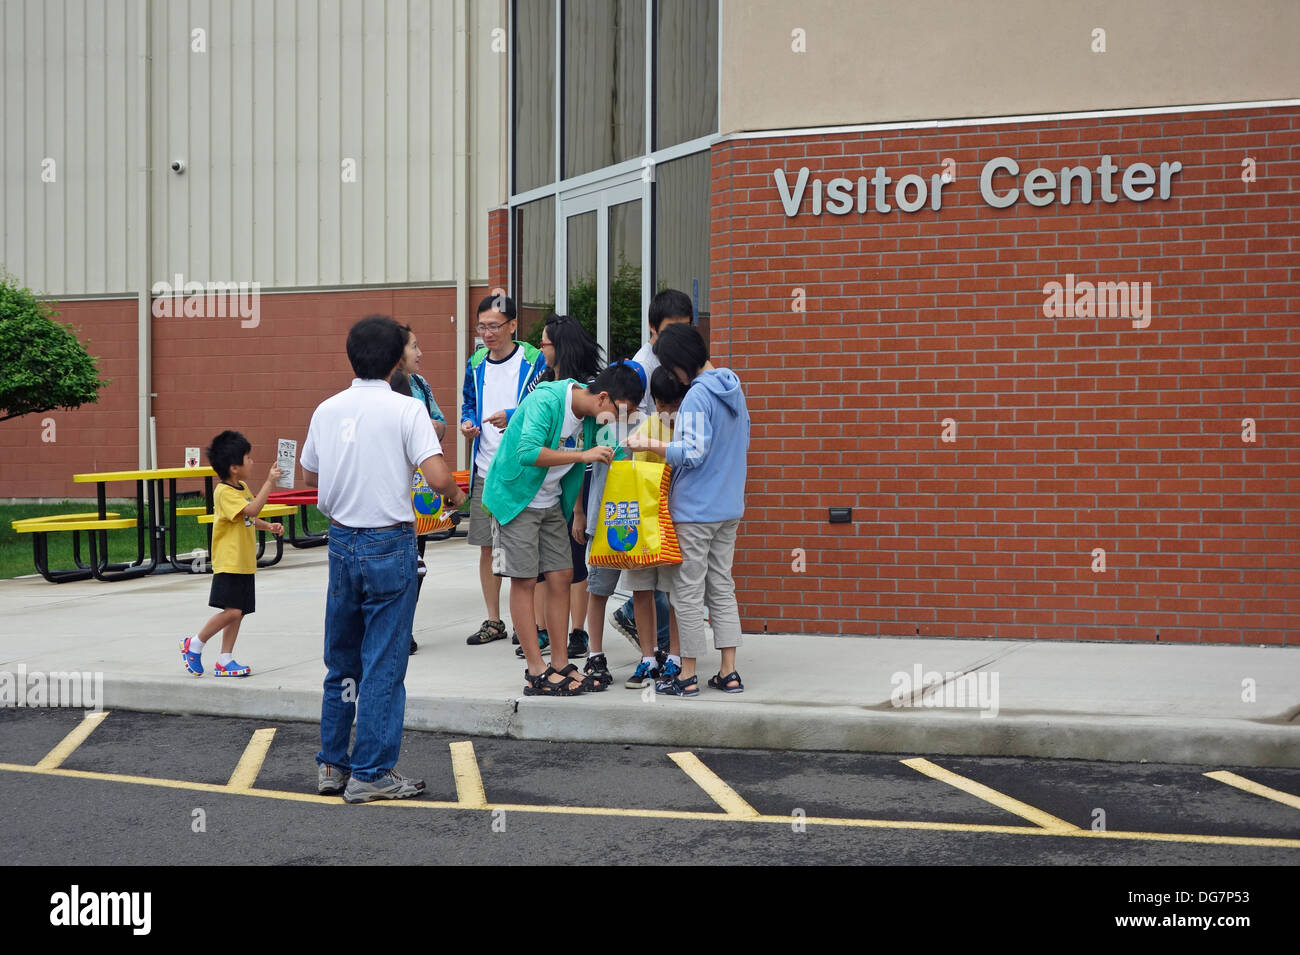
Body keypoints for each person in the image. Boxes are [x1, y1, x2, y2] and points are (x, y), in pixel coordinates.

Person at [302, 315, 468, 803]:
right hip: (389, 542)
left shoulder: (327, 409)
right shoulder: (407, 409)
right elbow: (437, 476)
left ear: (352, 356)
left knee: (342, 660)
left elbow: (310, 473)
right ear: (396, 360)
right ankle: (371, 772)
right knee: (384, 664)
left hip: (340, 541)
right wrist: (456, 496)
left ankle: (333, 764)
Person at [483, 363, 644, 696]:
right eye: (620, 412)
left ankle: (559, 663)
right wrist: (583, 454)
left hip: (552, 503)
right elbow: (527, 452)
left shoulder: (591, 414)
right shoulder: (547, 400)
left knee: (562, 576)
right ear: (603, 398)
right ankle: (535, 670)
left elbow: (606, 453)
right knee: (525, 580)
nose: (618, 420)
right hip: (515, 500)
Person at [625, 323, 750, 697]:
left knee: (688, 593)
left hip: (695, 510)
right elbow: (740, 440)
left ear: (680, 362)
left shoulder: (697, 395)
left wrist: (647, 443)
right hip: (729, 506)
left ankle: (688, 675)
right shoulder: (733, 388)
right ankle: (729, 672)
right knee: (722, 587)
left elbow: (691, 454)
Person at [460, 293, 547, 646]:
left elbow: (542, 404)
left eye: (494, 326)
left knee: (526, 546)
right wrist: (468, 422)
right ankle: (493, 620)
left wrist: (511, 416)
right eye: (481, 326)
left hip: (521, 468)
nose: (487, 333)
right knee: (487, 545)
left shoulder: (534, 360)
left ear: (513, 325)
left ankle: (529, 622)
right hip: (486, 468)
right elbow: (468, 401)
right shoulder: (476, 362)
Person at [610, 289, 693, 655]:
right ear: (652, 329)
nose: (679, 337)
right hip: (647, 486)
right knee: (647, 574)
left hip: (674, 490)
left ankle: (665, 647)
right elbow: (624, 422)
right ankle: (653, 645)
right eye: (671, 330)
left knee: (668, 577)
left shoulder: (684, 361)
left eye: (685, 328)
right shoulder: (642, 367)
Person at [525, 314, 603, 663]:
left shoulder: (589, 388)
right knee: (541, 563)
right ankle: (542, 628)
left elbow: (594, 444)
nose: (540, 349)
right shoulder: (541, 383)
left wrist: (580, 508)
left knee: (573, 556)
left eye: (543, 343)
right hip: (544, 481)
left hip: (578, 478)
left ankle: (577, 631)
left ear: (560, 346)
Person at [180, 431, 284, 678]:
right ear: (234, 467)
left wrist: (268, 526)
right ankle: (194, 643)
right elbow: (252, 509)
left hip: (244, 562)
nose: (252, 462)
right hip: (230, 562)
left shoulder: (242, 487)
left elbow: (248, 517)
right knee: (233, 611)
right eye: (248, 458)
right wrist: (269, 482)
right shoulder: (224, 492)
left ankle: (224, 660)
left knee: (239, 612)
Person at [621, 365, 689, 689]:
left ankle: (673, 656)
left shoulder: (689, 428)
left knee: (673, 591)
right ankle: (650, 657)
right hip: (651, 522)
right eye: (664, 406)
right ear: (655, 402)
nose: (670, 413)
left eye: (675, 405)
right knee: (642, 588)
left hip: (674, 522)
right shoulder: (648, 427)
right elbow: (637, 477)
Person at [396, 324, 447, 442]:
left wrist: (436, 427)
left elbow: (440, 421)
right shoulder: (384, 387)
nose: (419, 353)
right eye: (414, 347)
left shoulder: (419, 382)